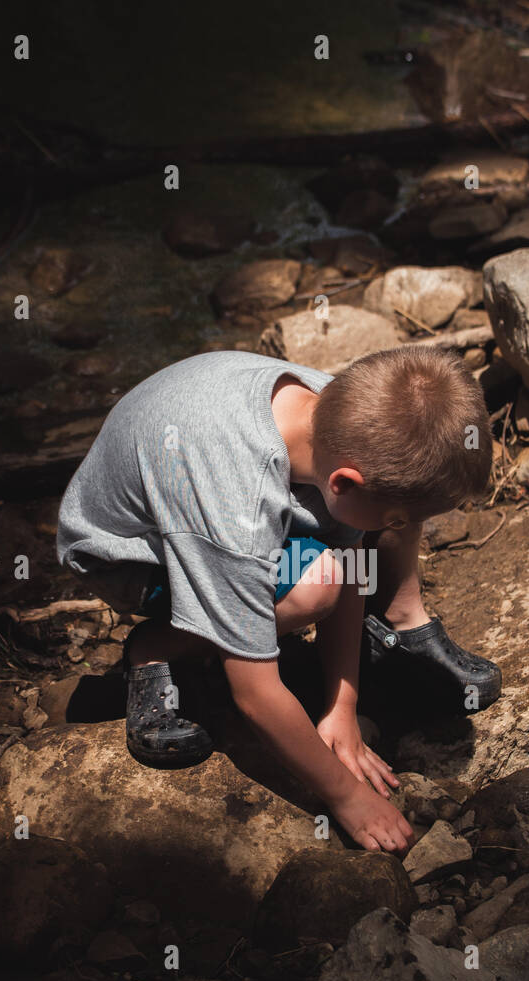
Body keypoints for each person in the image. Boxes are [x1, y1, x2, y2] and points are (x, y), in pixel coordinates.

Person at [56, 345, 501, 854]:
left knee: (366, 535)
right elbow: (255, 695)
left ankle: (390, 621)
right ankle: (157, 645)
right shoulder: (236, 509)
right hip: (129, 555)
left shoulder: (346, 410)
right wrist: (346, 794)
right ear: (343, 484)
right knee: (317, 586)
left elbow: (350, 545)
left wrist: (342, 707)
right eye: (397, 520)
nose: (402, 532)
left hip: (207, 489)